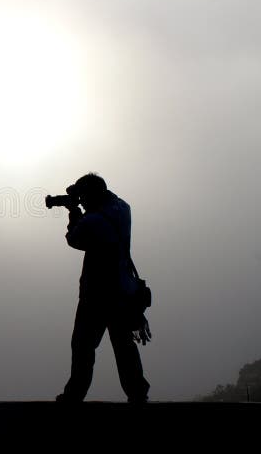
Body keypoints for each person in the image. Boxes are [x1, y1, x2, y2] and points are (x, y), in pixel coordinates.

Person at [55, 173, 150, 403]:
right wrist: (81, 197)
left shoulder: (93, 221)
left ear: (91, 196)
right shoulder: (122, 208)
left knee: (83, 346)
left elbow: (75, 239)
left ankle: (74, 395)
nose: (82, 201)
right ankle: (138, 393)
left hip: (97, 295)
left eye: (83, 197)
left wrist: (73, 211)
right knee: (124, 345)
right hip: (122, 290)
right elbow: (102, 206)